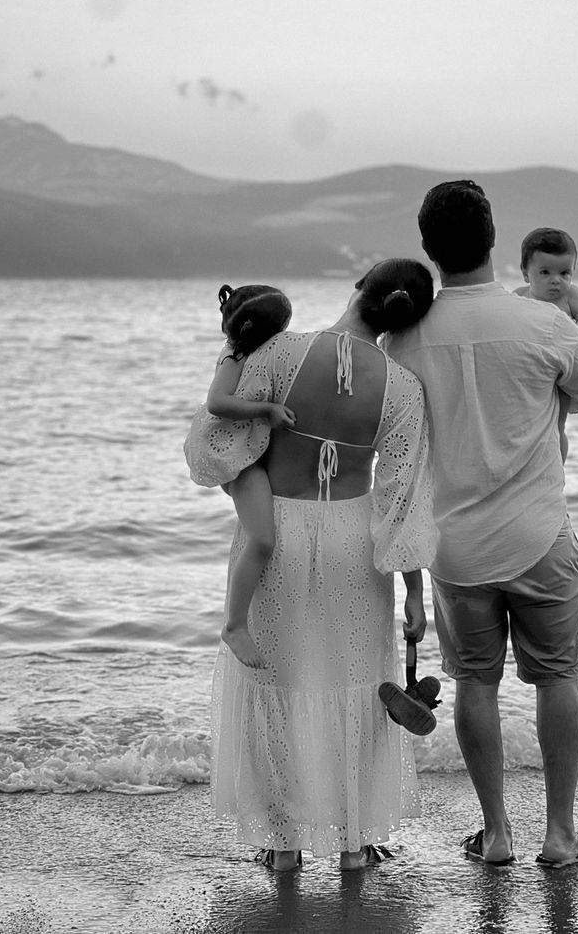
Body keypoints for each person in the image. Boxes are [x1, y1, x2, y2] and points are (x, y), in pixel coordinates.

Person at [385, 181, 578, 868]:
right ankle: (559, 833)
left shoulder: (404, 339)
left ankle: (496, 835)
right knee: (558, 676)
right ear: (494, 243)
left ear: (430, 251)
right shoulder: (543, 323)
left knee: (475, 684)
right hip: (539, 534)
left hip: (454, 549)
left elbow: (393, 448)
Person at [185, 259, 437, 872]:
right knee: (354, 684)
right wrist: (412, 593)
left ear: (359, 289)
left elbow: (212, 442)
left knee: (275, 685)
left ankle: (283, 846)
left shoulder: (277, 353)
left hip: (276, 530)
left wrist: (241, 482)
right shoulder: (403, 388)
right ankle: (353, 845)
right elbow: (401, 500)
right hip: (357, 540)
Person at [185, 283, 296, 669]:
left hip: (242, 448)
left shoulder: (252, 350)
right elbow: (218, 402)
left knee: (261, 535)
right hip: (230, 453)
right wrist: (267, 410)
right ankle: (234, 625)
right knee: (263, 540)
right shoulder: (234, 355)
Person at [514, 228, 578, 462]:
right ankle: (528, 459)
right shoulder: (519, 297)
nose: (556, 280)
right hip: (530, 367)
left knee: (557, 423)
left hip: (562, 368)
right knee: (527, 418)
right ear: (525, 273)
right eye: (545, 272)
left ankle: (557, 466)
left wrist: (575, 333)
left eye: (564, 273)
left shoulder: (570, 295)